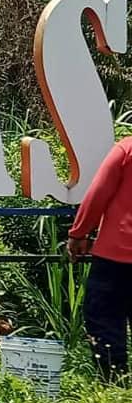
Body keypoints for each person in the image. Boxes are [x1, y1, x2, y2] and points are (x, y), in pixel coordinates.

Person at [67, 136, 132, 382]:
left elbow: (98, 193)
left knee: (104, 320)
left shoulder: (126, 149)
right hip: (115, 254)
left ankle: (114, 381)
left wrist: (78, 233)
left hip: (116, 254)